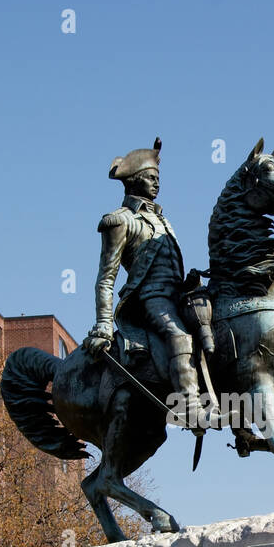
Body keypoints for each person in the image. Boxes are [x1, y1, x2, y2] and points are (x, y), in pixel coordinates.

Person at [82, 138, 210, 428]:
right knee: (179, 336)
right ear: (136, 180)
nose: (157, 184)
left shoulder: (164, 221)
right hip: (150, 299)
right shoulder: (120, 221)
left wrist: (187, 281)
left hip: (177, 294)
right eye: (151, 178)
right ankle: (190, 406)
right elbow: (106, 277)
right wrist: (103, 323)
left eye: (158, 179)